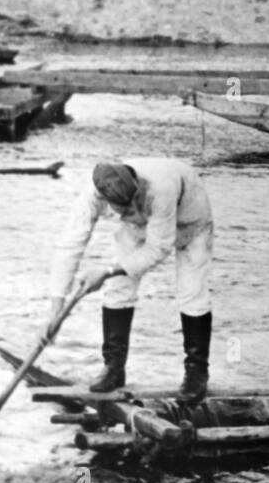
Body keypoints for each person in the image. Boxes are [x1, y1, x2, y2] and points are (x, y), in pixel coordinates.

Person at [48, 160, 215, 402]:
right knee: (118, 287)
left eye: (132, 202)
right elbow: (70, 244)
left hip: (191, 218)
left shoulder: (161, 188)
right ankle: (113, 369)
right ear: (104, 200)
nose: (131, 209)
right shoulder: (91, 197)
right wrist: (55, 309)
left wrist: (105, 271)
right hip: (140, 226)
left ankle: (196, 373)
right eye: (123, 208)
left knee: (191, 290)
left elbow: (159, 248)